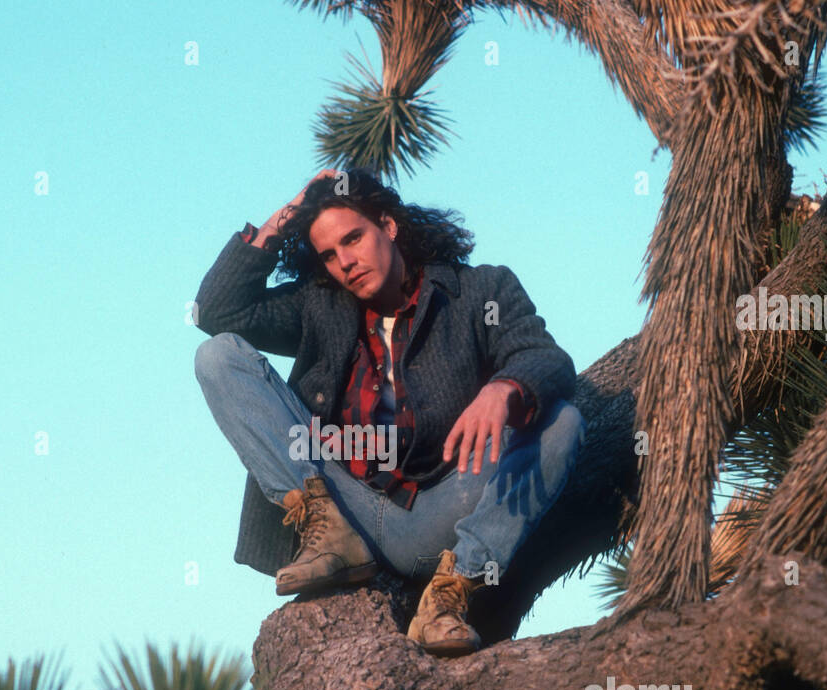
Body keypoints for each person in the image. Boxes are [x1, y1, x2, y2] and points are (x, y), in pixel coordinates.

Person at [194, 168, 585, 656]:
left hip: (442, 507)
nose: (346, 263)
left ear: (390, 225)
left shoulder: (480, 291)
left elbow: (545, 358)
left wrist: (504, 388)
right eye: (330, 256)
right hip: (346, 506)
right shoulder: (321, 306)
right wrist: (280, 223)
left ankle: (449, 594)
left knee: (562, 421)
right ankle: (324, 527)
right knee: (218, 355)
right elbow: (216, 314)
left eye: (354, 239)